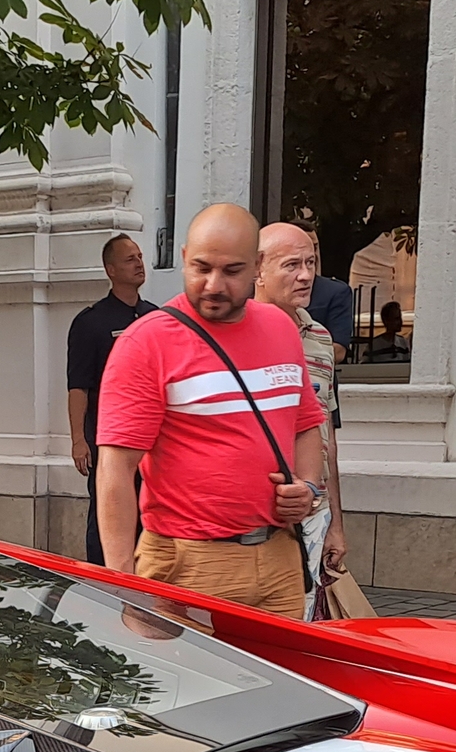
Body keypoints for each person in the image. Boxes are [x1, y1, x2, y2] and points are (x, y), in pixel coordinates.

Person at [93, 204, 331, 617]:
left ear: (256, 266)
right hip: (187, 562)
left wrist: (307, 487)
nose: (213, 285)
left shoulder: (279, 327)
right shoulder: (146, 342)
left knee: (286, 682)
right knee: (186, 682)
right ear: (184, 257)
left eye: (232, 271)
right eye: (201, 268)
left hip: (280, 559)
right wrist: (123, 580)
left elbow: (306, 421)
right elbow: (115, 468)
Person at [66, 235, 150, 564]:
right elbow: (78, 386)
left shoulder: (154, 318)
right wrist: (78, 440)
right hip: (107, 437)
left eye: (140, 256)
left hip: (150, 439)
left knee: (147, 511)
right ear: (111, 269)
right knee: (106, 509)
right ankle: (102, 580)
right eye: (130, 259)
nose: (139, 263)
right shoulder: (91, 323)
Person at [257, 221, 345, 536]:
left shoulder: (321, 338)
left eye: (310, 263)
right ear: (258, 270)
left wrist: (335, 523)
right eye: (292, 265)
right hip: (259, 514)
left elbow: (327, 439)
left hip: (314, 511)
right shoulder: (234, 337)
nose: (306, 275)